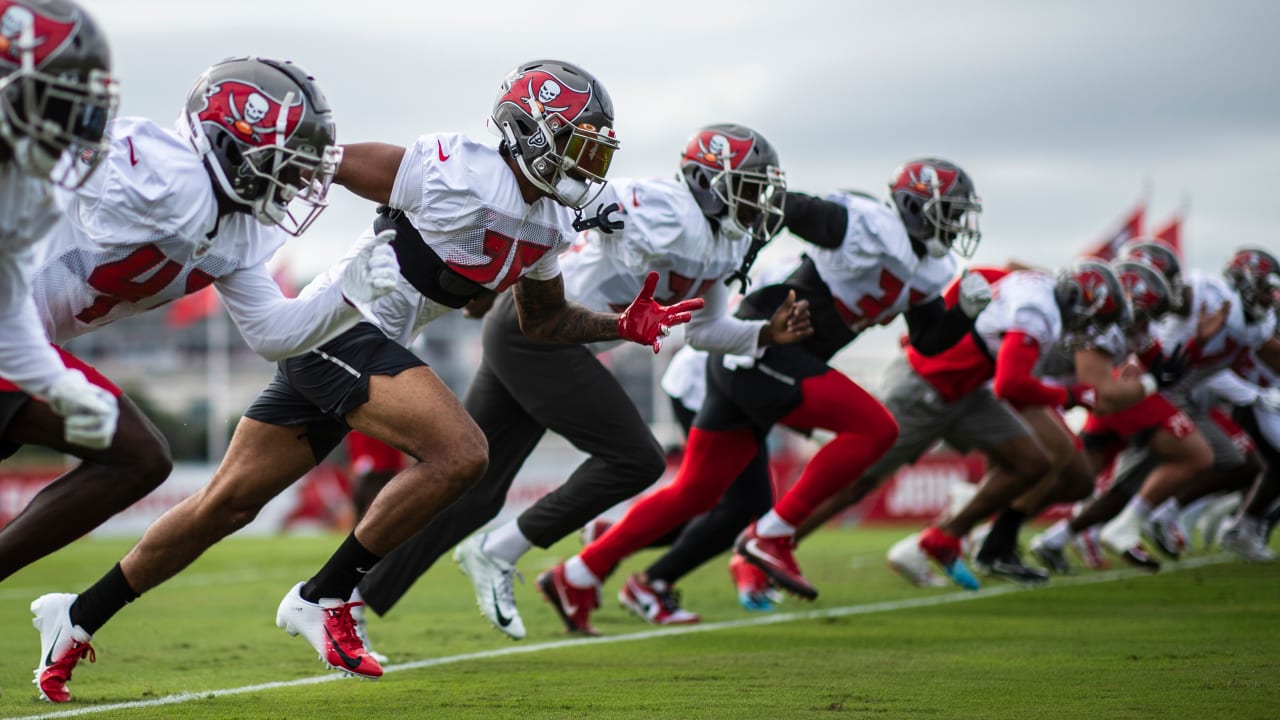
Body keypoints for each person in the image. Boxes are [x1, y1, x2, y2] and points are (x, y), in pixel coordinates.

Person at [32, 59, 702, 698]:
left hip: (353, 345)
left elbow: (545, 320)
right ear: (528, 131)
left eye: (595, 153)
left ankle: (77, 615)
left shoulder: (553, 223)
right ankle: (325, 594)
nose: (588, 167)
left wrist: (621, 325)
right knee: (462, 453)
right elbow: (318, 160)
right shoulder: (455, 169)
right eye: (577, 147)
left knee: (225, 505)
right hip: (334, 329)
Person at [20, 54, 401, 702]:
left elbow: (273, 333)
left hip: (24, 341)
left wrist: (347, 289)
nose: (295, 178)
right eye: (284, 158)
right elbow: (64, 164)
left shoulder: (238, 226)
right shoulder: (152, 163)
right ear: (230, 141)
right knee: (136, 456)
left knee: (138, 459)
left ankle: (60, 609)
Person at [353, 123, 809, 641]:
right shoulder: (667, 207)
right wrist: (499, 260)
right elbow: (580, 196)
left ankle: (350, 596)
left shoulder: (721, 245)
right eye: (748, 187)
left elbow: (706, 331)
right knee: (636, 459)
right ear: (708, 183)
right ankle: (497, 550)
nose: (757, 203)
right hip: (535, 332)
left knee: (472, 490)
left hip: (544, 338)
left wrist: (765, 334)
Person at [542, 159, 992, 634]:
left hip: (766, 360)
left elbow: (928, 341)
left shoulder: (930, 266)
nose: (958, 225)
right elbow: (783, 205)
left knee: (699, 491)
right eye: (950, 212)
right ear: (914, 205)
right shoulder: (865, 224)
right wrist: (746, 256)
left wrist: (962, 313)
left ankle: (578, 572)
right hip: (763, 343)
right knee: (876, 428)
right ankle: (772, 537)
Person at [797, 260, 1132, 590]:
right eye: (1093, 320)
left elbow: (975, 276)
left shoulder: (1034, 284)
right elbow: (1010, 384)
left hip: (967, 391)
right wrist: (1071, 395)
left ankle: (944, 537)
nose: (1089, 331)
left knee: (1032, 462)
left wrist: (933, 329)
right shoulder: (1037, 312)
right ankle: (775, 542)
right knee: (856, 481)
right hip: (924, 388)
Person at [0, 1, 118, 453]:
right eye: (56, 103)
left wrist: (59, 384)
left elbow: (7, 311)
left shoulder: (29, 189)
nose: (72, 128)